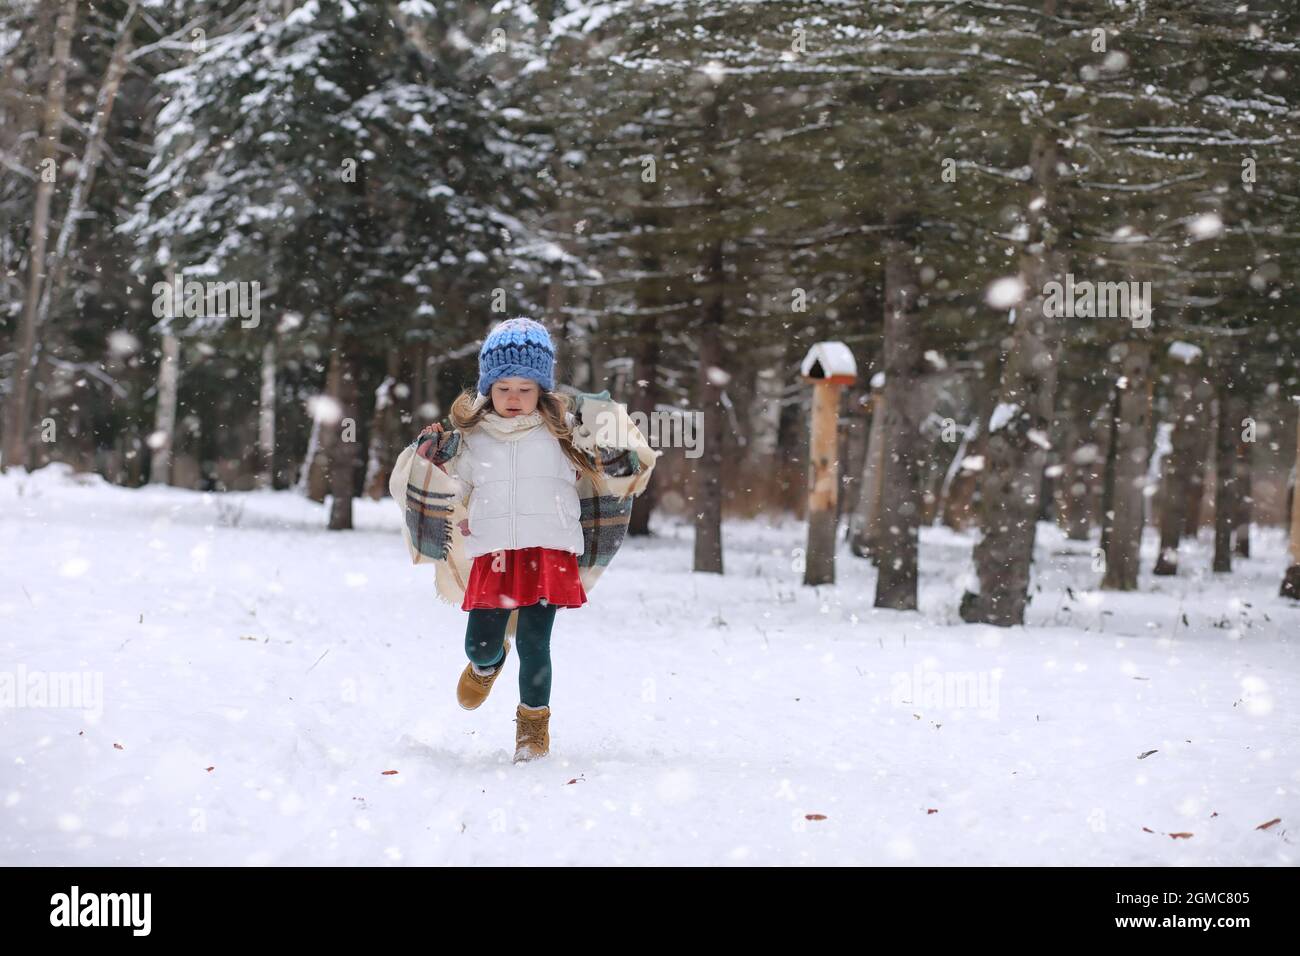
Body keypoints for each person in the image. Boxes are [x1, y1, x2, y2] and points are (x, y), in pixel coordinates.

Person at [412, 316, 653, 763]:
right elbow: (454, 488)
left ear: (541, 389)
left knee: (535, 643)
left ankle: (532, 728)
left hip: (550, 550)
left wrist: (613, 449)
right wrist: (438, 468)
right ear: (488, 388)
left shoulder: (566, 433)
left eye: (525, 389)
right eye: (503, 388)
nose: (514, 398)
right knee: (479, 645)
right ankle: (487, 664)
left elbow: (618, 464)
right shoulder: (471, 438)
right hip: (495, 553)